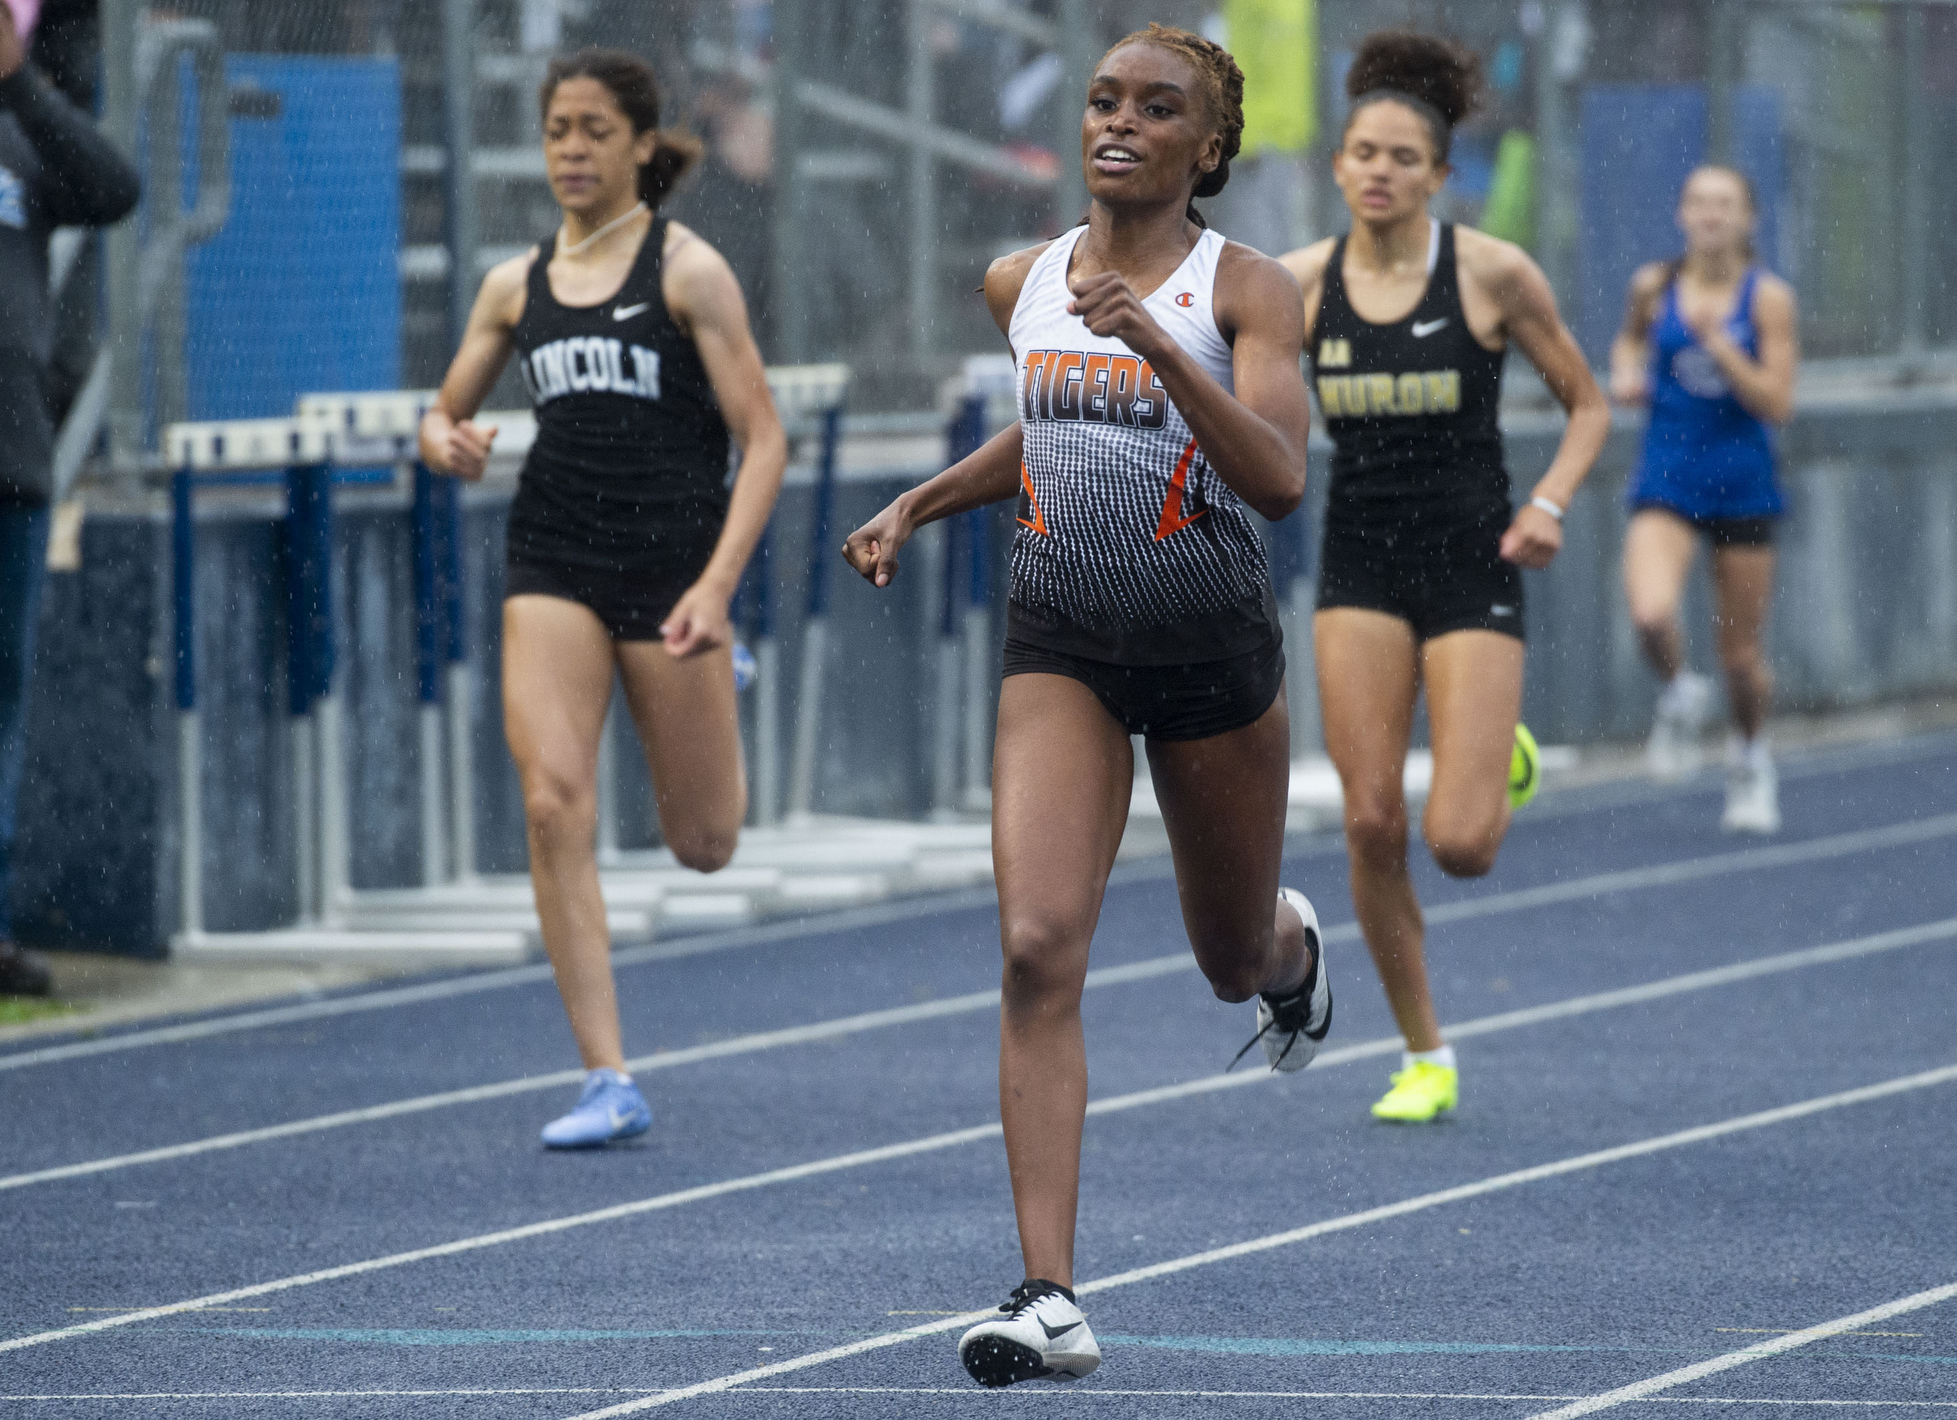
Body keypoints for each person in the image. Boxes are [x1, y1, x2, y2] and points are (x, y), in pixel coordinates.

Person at [845, 23, 1322, 1390]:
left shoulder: (1250, 291)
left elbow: (1280, 476)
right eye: (1104, 100)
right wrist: (922, 501)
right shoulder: (1025, 277)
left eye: (1156, 107)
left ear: (1206, 146)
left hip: (1211, 651)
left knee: (1226, 955)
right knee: (1037, 945)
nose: (1118, 122)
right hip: (1061, 639)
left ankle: (1292, 955)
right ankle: (1050, 1294)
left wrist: (1167, 356)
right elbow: (1055, 425)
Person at [418, 48, 785, 1147]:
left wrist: (719, 588)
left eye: (590, 130)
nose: (570, 150)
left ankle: (728, 665)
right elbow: (439, 414)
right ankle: (606, 1075)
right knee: (551, 802)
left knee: (704, 841)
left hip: (674, 577)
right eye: (554, 131)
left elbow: (763, 440)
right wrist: (447, 438)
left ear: (638, 143)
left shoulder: (688, 272)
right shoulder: (510, 284)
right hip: (554, 558)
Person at [1278, 32, 1608, 1125]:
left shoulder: (1490, 273)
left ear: (1435, 176)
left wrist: (1549, 503)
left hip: (1473, 559)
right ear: (1336, 166)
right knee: (1369, 823)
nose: (1378, 171)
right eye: (1361, 152)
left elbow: (1587, 403)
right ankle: (1424, 1052)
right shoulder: (1296, 287)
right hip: (1359, 562)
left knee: (1458, 846)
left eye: (1401, 158)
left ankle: (1494, 750)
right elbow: (1207, 367)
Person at [0, 0, 139, 996]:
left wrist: (16, 82)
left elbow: (114, 187)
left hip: (11, 459)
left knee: (1, 704)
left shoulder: (21, 134)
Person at [1610, 165, 1796, 831]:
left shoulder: (1767, 299)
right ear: (1682, 214)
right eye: (1698, 202)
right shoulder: (1654, 286)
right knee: (1651, 613)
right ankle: (1678, 695)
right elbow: (1629, 341)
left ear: (1748, 218)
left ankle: (1749, 757)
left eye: (1725, 204)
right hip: (1669, 475)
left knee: (1741, 658)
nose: (1710, 215)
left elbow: (1777, 401)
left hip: (1744, 482)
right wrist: (1628, 373)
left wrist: (1719, 342)